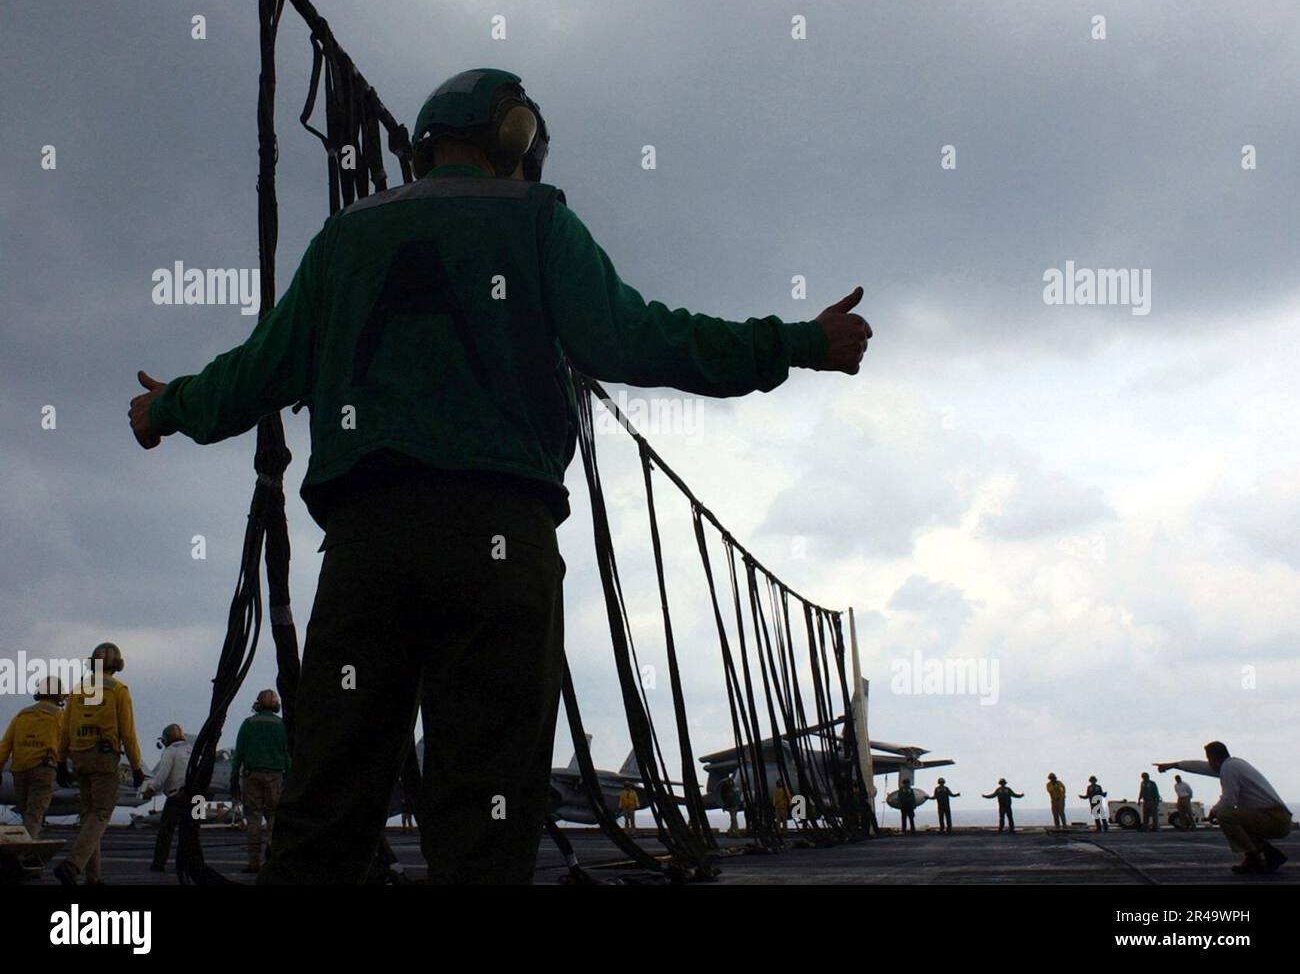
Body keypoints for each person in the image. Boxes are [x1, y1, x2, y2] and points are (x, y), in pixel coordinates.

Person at [128, 68, 869, 884]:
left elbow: (258, 373)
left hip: (365, 549)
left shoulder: (345, 236)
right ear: (517, 139)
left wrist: (169, 411)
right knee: (486, 812)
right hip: (499, 545)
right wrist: (798, 342)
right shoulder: (539, 221)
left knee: (327, 806)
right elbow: (640, 339)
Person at [53, 644, 143, 886]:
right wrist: (136, 766)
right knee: (102, 812)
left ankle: (94, 876)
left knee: (89, 815)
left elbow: (65, 731)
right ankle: (73, 864)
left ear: (92, 663)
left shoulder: (77, 689)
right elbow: (128, 732)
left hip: (78, 758)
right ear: (118, 665)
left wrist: (61, 761)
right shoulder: (119, 690)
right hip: (104, 758)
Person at [1156, 743, 1292, 874]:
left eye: (1208, 759)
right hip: (1277, 818)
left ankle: (1254, 858)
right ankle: (1269, 854)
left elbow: (1229, 800)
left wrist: (1214, 811)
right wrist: (1174, 765)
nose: (1208, 763)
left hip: (1274, 819)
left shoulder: (1229, 768)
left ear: (1213, 757)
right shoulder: (1234, 764)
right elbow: (1199, 766)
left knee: (1226, 815)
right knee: (1233, 819)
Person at [0, 678, 66, 856]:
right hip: (43, 769)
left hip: (19, 770)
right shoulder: (60, 715)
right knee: (34, 814)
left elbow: (5, 745)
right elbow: (65, 745)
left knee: (25, 813)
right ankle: (26, 858)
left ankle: (21, 853)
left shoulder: (22, 714)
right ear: (58, 694)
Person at [230, 690, 291, 874]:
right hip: (275, 776)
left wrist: (234, 776)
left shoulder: (248, 724)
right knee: (273, 818)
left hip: (251, 776)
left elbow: (239, 753)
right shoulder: (282, 725)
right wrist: (289, 776)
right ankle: (271, 860)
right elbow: (286, 753)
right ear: (275, 705)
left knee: (253, 818)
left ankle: (253, 862)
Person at [139, 723, 192, 872]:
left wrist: (151, 789)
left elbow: (162, 775)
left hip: (176, 796)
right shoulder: (192, 750)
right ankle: (189, 863)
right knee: (191, 831)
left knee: (166, 831)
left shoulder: (170, 752)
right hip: (196, 797)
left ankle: (159, 864)